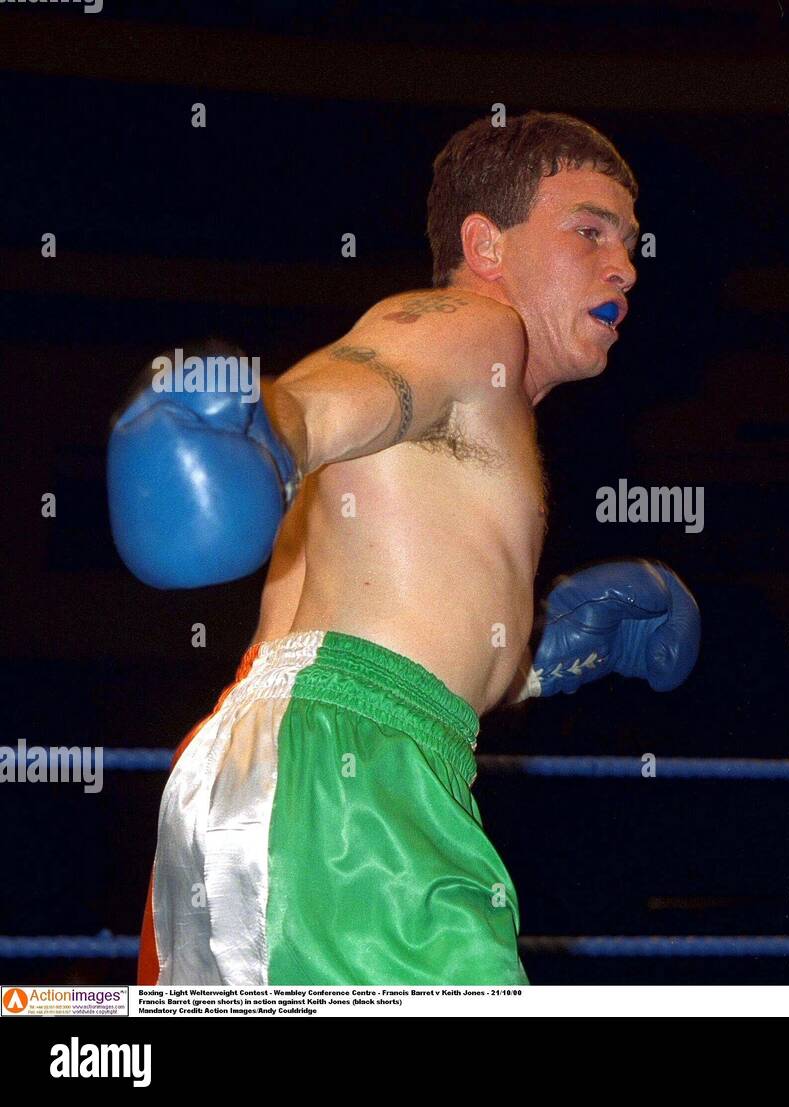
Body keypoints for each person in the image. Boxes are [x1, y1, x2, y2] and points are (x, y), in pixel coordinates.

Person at [109, 111, 701, 986]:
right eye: (590, 231)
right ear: (485, 243)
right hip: (351, 788)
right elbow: (351, 389)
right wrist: (266, 434)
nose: (624, 267)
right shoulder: (467, 326)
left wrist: (534, 657)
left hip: (301, 773)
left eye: (631, 245)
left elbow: (389, 614)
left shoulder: (480, 417)